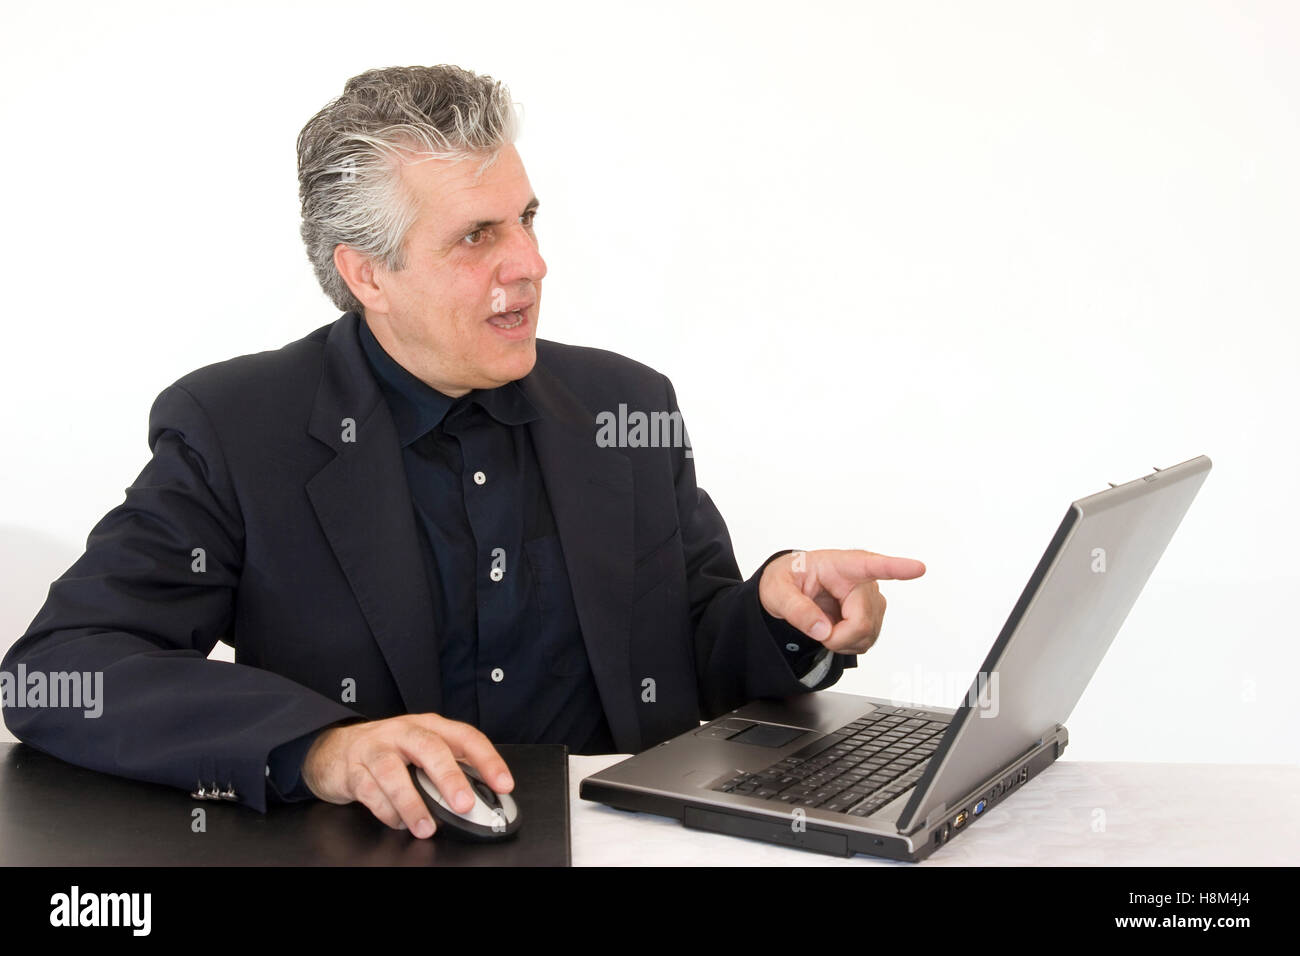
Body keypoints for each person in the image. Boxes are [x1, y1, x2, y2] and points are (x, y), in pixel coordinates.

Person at [1, 65, 925, 839]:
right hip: (373, 852)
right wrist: (323, 749)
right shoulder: (236, 426)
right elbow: (58, 672)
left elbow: (691, 641)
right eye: (477, 236)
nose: (529, 263)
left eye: (526, 217)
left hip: (629, 844)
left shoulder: (625, 404)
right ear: (367, 274)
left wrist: (776, 614)